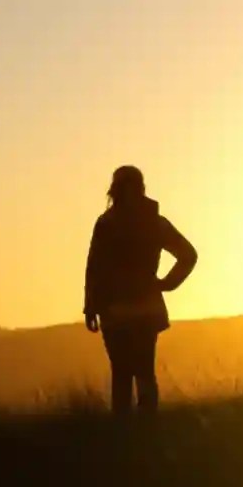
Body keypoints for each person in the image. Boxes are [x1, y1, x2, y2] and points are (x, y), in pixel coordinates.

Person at [84, 165, 198, 415]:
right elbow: (188, 255)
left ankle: (124, 436)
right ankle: (147, 433)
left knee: (122, 374)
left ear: (114, 189)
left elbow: (94, 267)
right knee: (145, 372)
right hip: (147, 308)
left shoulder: (106, 224)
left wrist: (90, 307)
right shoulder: (156, 223)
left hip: (114, 311)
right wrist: (166, 283)